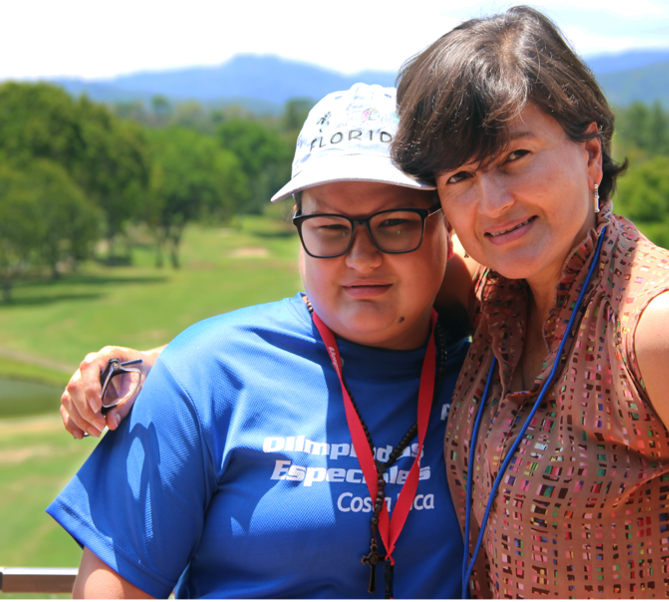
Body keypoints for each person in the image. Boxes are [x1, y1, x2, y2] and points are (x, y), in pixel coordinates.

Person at [389, 6, 669, 600]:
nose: (492, 203)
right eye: (460, 178)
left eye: (516, 157)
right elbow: (379, 269)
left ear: (590, 154)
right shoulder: (496, 293)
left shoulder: (664, 329)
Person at [47, 83, 470, 600]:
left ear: (447, 227)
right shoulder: (201, 377)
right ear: (298, 226)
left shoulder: (496, 369)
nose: (362, 258)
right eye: (330, 227)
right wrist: (174, 359)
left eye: (396, 224)